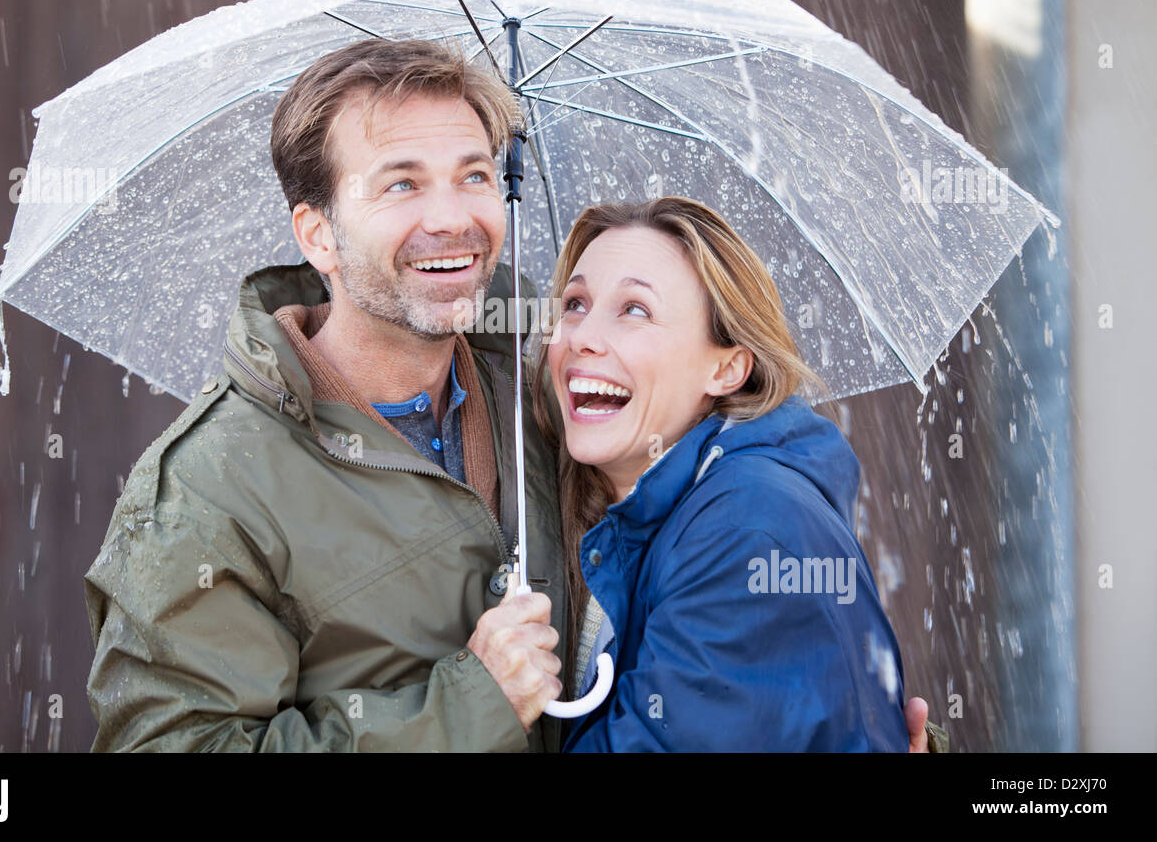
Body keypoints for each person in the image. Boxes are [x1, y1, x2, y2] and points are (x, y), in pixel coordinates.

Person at [84, 37, 939, 752]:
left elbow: (719, 584)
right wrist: (468, 706)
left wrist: (848, 726)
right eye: (402, 183)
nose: (453, 217)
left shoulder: (547, 401)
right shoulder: (206, 492)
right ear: (318, 234)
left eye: (474, 175)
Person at [535, 196, 916, 751]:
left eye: (634, 309)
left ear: (727, 367)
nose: (580, 337)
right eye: (575, 303)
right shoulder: (639, 513)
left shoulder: (750, 527)